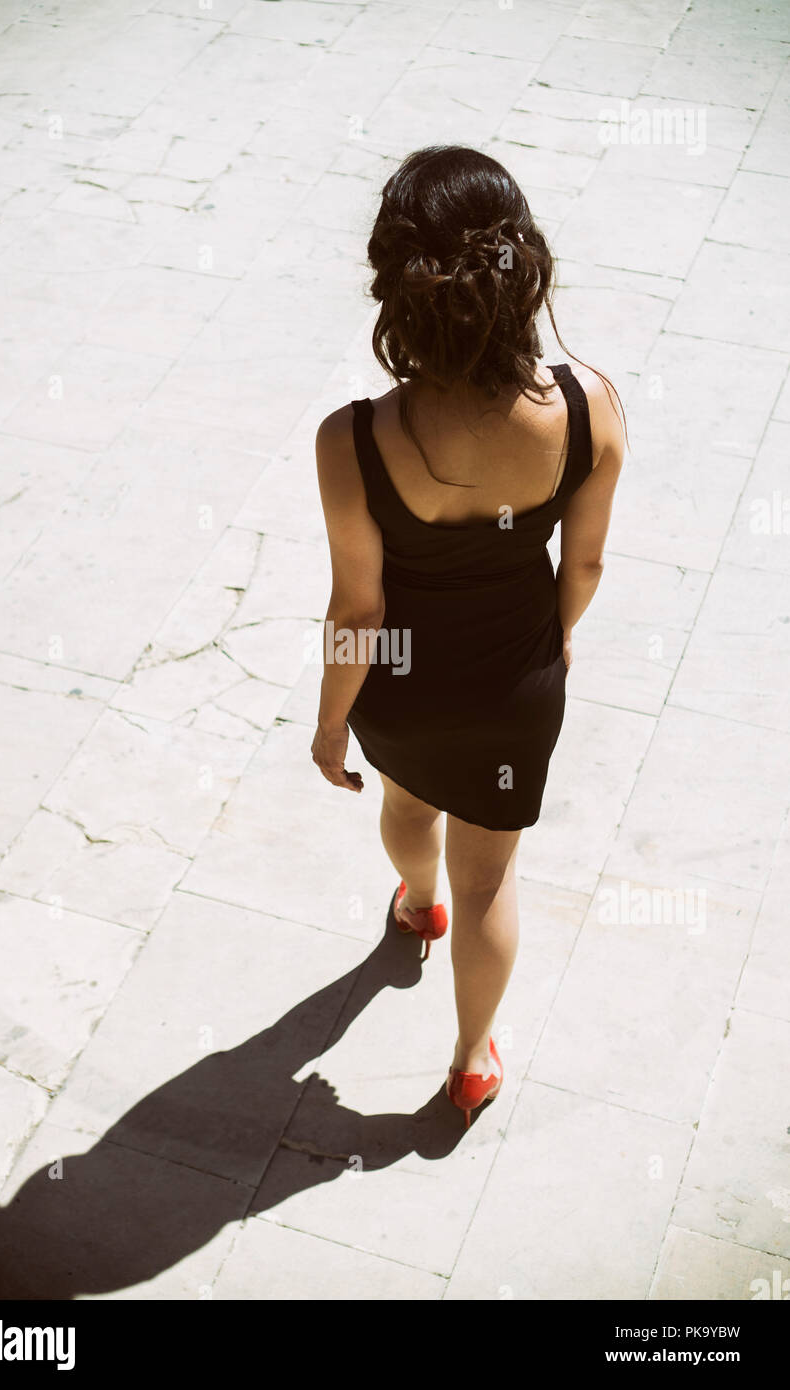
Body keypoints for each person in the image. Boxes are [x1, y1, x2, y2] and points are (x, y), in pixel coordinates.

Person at [311, 145, 625, 1128]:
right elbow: (582, 568)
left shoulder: (351, 438)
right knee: (492, 880)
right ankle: (471, 1057)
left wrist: (328, 727)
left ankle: (413, 904)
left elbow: (357, 611)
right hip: (512, 690)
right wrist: (553, 639)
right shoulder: (586, 407)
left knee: (409, 808)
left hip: (403, 686)